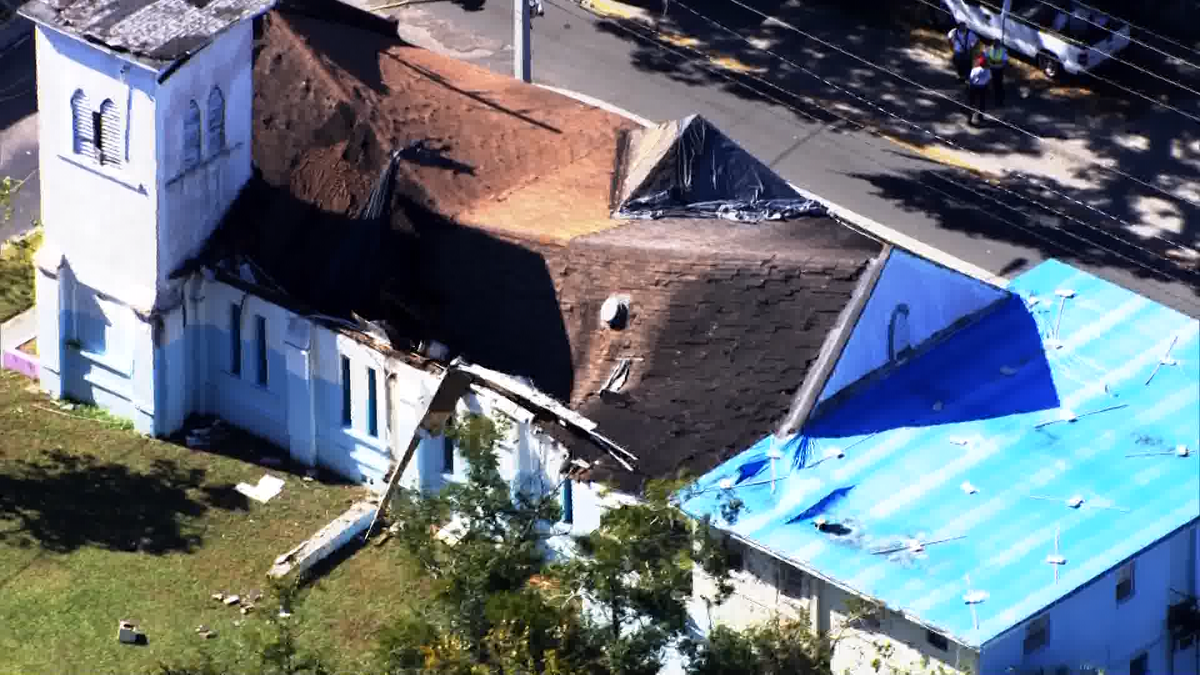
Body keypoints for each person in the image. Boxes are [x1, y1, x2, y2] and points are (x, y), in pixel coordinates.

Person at [966, 55, 991, 126]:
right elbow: (989, 79)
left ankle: (969, 118)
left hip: (974, 87)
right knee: (982, 103)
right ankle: (980, 116)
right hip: (983, 87)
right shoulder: (988, 71)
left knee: (971, 103)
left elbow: (971, 78)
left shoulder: (975, 69)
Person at [984, 39, 1008, 107]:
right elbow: (986, 58)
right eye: (994, 44)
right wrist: (991, 64)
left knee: (998, 85)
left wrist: (996, 65)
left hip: (999, 69)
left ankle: (999, 101)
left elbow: (1004, 62)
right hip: (991, 69)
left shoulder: (1003, 50)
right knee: (993, 84)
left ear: (999, 44)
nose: (995, 45)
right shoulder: (988, 49)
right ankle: (994, 98)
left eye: (997, 44)